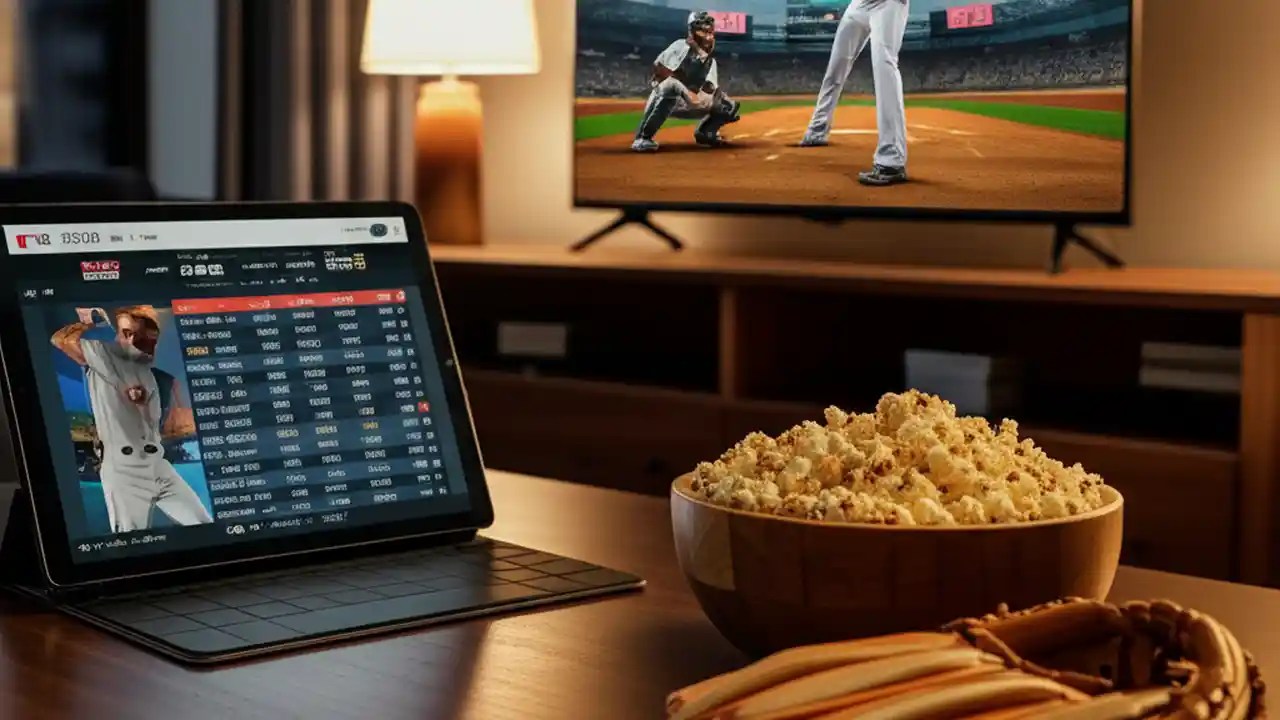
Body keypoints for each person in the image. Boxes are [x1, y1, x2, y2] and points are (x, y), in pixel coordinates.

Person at [51, 305, 213, 533]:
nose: (151, 343)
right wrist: (87, 322)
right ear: (128, 335)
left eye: (153, 336)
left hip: (158, 465)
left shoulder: (150, 374)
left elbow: (150, 422)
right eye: (145, 336)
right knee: (130, 539)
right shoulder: (104, 354)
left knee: (204, 525)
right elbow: (61, 340)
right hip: (125, 469)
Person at [801, 0, 912, 186]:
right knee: (835, 68)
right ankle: (816, 132)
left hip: (888, 4)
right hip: (859, 4)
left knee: (885, 67)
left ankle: (891, 161)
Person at [631, 11, 741, 153]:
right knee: (671, 84)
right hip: (667, 102)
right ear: (692, 31)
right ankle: (643, 138)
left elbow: (709, 89)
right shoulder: (679, 46)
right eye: (703, 31)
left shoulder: (710, 61)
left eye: (710, 32)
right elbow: (659, 72)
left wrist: (711, 98)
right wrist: (682, 86)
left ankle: (706, 133)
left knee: (728, 104)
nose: (708, 36)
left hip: (692, 103)